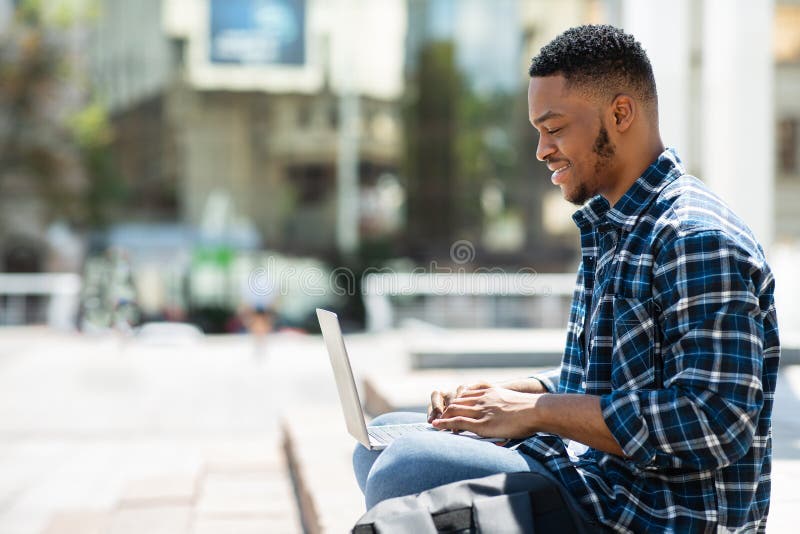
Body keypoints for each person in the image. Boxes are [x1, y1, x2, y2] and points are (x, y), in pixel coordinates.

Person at [353, 25, 779, 533]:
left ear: (620, 114)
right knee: (379, 441)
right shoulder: (615, 226)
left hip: (657, 514)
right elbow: (605, 385)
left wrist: (535, 410)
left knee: (409, 468)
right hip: (603, 483)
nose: (541, 150)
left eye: (553, 128)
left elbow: (714, 422)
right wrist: (511, 394)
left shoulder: (694, 238)